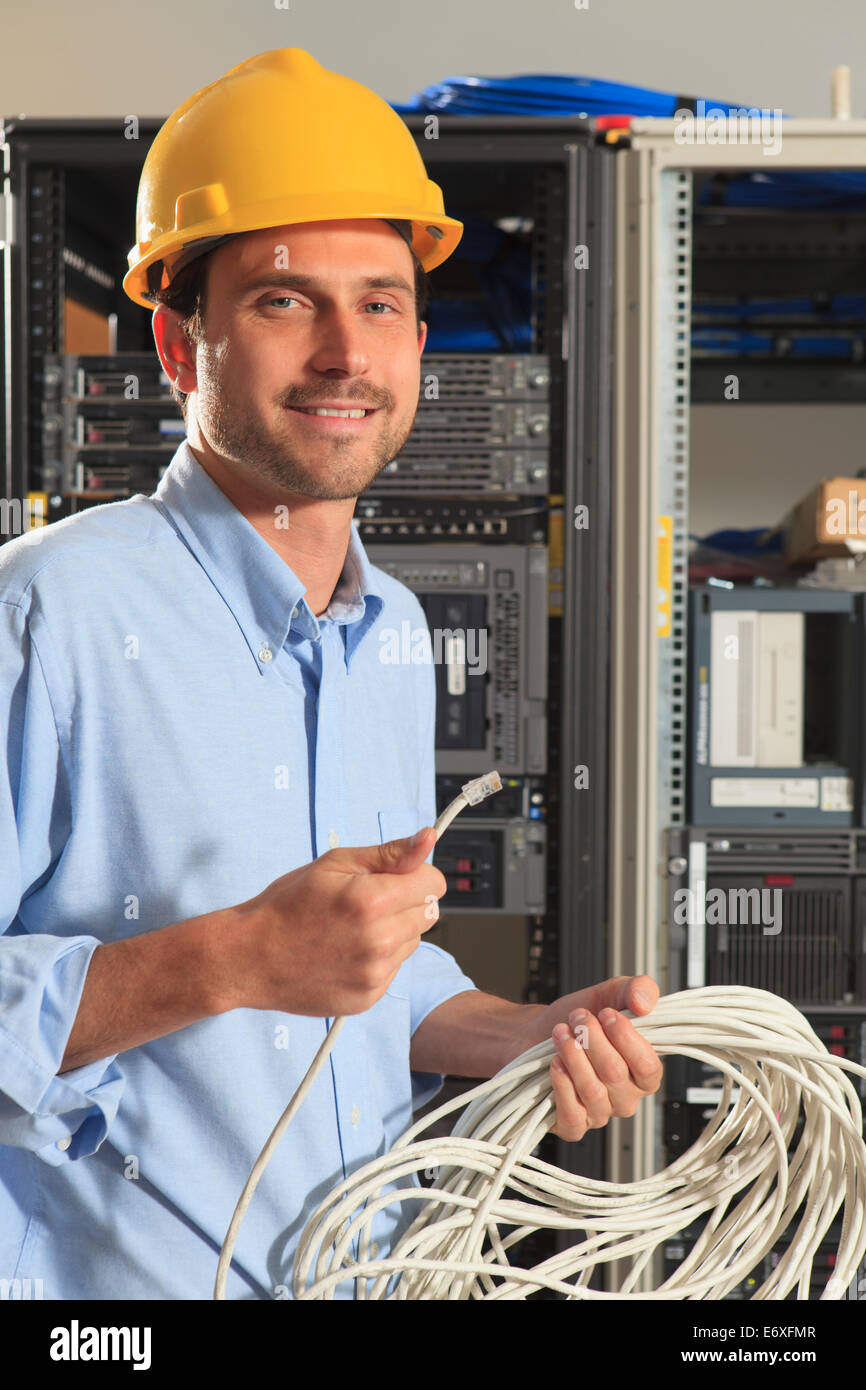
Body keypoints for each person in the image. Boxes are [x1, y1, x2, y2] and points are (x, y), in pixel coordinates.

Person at [0, 47, 662, 1300]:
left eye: (381, 302)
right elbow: (278, 957)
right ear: (179, 346)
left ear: (417, 339)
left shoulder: (390, 631)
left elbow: (367, 968)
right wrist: (234, 958)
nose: (344, 353)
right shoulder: (46, 613)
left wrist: (524, 1036)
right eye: (283, 300)